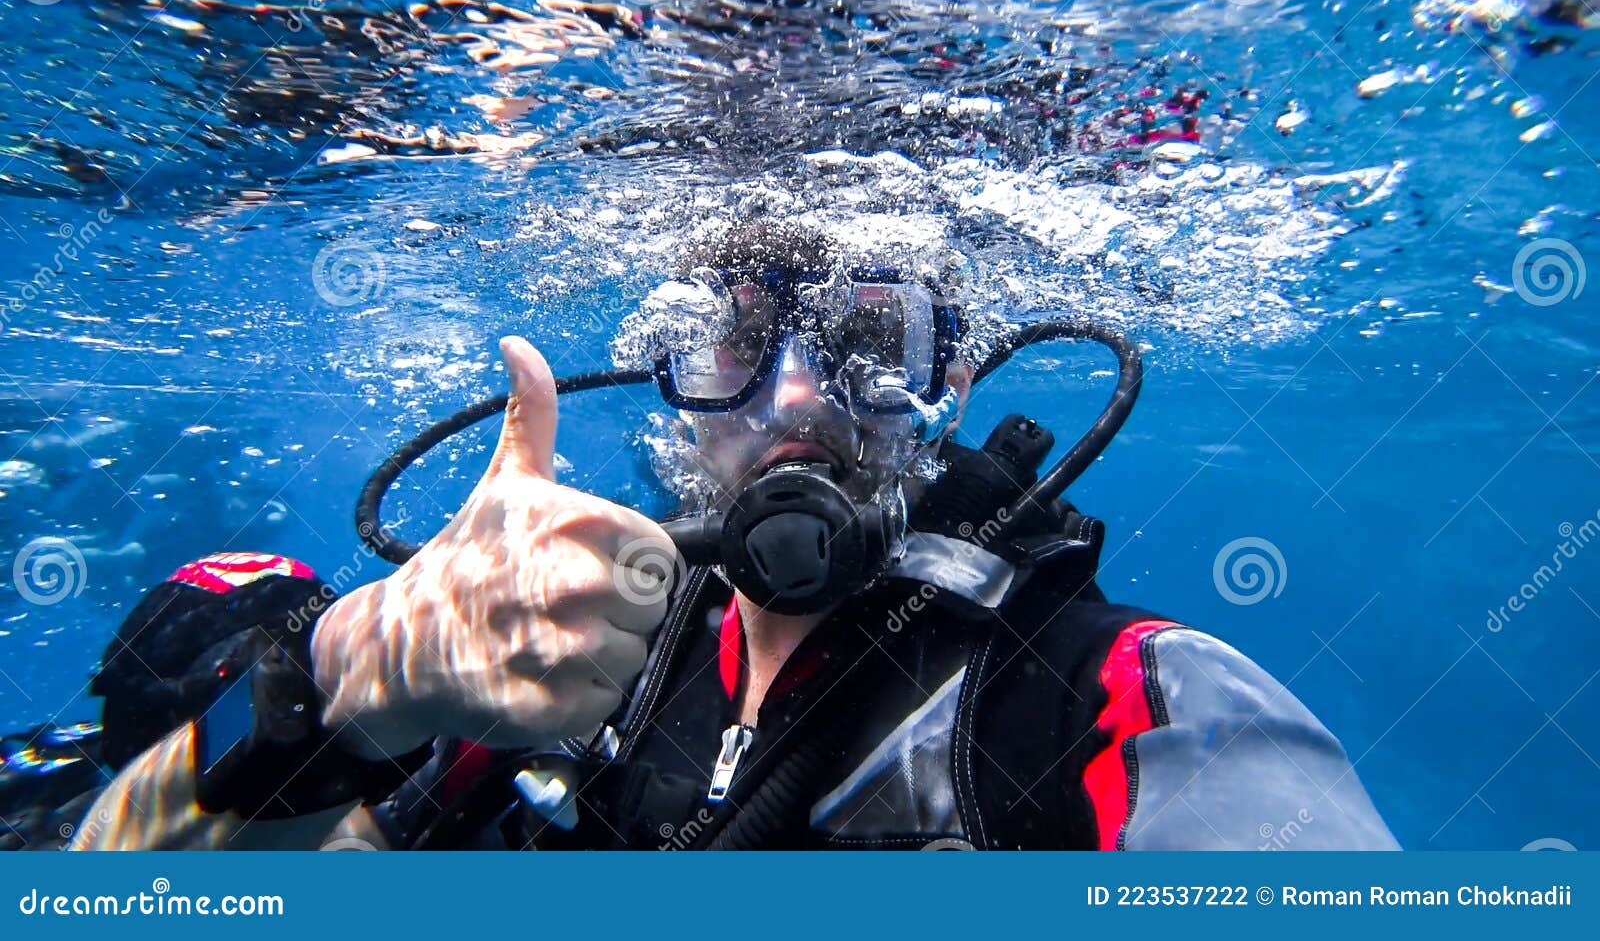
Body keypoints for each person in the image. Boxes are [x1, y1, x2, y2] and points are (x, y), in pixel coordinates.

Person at [58, 220, 1397, 851]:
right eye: (736, 348)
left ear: (951, 382)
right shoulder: (546, 651)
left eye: (872, 343)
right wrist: (344, 683)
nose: (799, 397)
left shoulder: (1123, 700)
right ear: (671, 388)